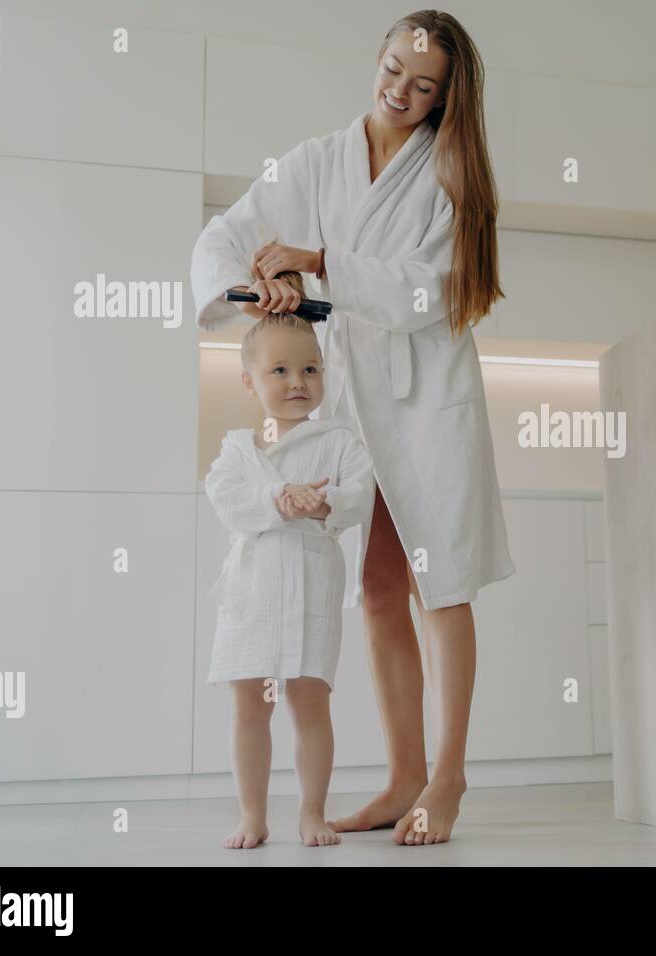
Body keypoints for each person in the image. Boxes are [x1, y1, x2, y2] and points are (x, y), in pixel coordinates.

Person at [191, 10, 513, 846]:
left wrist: (322, 261)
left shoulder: (449, 171)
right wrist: (250, 289)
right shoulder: (319, 160)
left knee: (440, 585)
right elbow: (231, 231)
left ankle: (448, 778)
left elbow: (427, 292)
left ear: (448, 96)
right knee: (374, 588)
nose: (400, 91)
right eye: (392, 69)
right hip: (353, 402)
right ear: (377, 58)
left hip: (427, 393)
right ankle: (403, 774)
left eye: (423, 85)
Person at [204, 276, 374, 848]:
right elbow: (226, 499)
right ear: (250, 381)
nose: (298, 382)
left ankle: (312, 812)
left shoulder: (340, 441)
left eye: (310, 370)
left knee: (309, 701)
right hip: (251, 593)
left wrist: (326, 501)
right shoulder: (236, 449)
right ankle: (252, 814)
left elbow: (360, 494)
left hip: (310, 588)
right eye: (280, 371)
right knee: (249, 703)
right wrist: (277, 500)